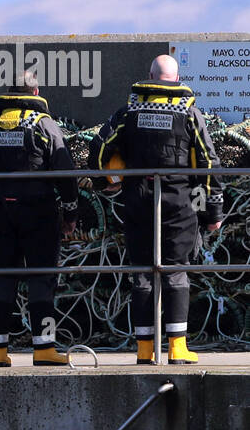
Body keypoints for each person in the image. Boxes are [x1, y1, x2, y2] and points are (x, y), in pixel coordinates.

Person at [90, 54, 222, 364]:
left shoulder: (128, 111)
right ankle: (177, 347)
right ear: (176, 80)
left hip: (137, 199)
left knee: (142, 275)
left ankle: (145, 349)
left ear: (149, 76)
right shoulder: (190, 114)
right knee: (176, 271)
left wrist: (106, 182)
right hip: (180, 202)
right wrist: (212, 213)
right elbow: (207, 163)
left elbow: (98, 150)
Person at [0, 71, 77, 367]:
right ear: (35, 94)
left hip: (1, 211)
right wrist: (72, 213)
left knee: (3, 279)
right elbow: (65, 171)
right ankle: (44, 349)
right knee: (41, 279)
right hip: (39, 212)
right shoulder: (43, 124)